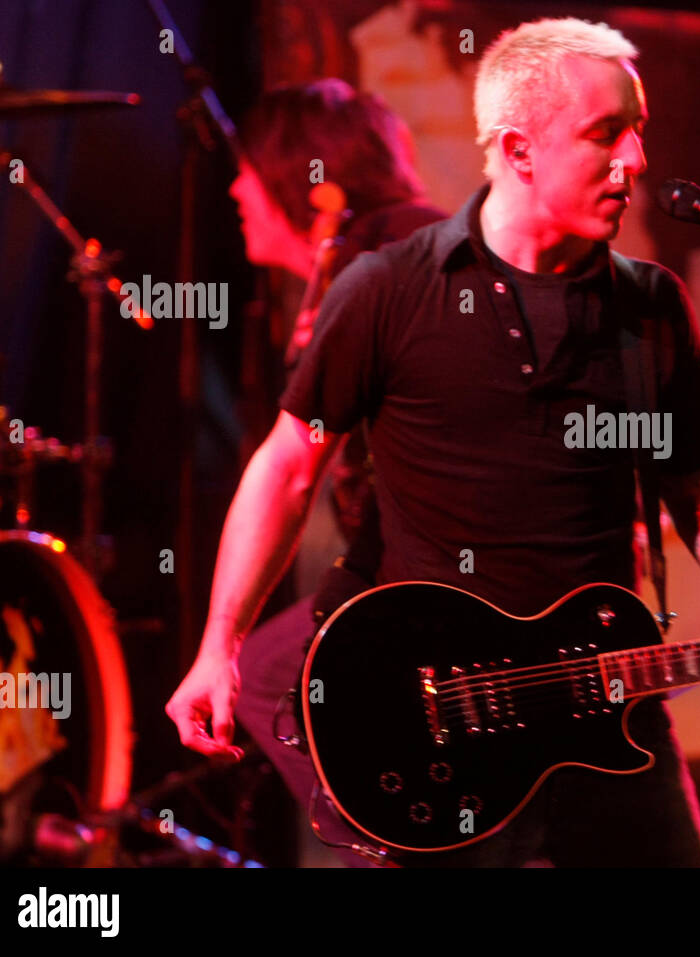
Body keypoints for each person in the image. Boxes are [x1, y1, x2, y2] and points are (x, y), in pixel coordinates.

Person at [167, 18, 700, 867]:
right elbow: (285, 466)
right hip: (446, 727)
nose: (636, 160)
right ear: (519, 148)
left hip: (611, 713)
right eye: (607, 133)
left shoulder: (649, 306)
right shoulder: (389, 289)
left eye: (637, 130)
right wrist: (220, 646)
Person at [202, 78, 447, 862]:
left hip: (438, 586)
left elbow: (295, 467)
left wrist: (217, 642)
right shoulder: (382, 251)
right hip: (428, 577)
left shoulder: (382, 262)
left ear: (304, 175)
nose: (236, 188)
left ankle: (404, 840)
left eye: (249, 168)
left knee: (272, 673)